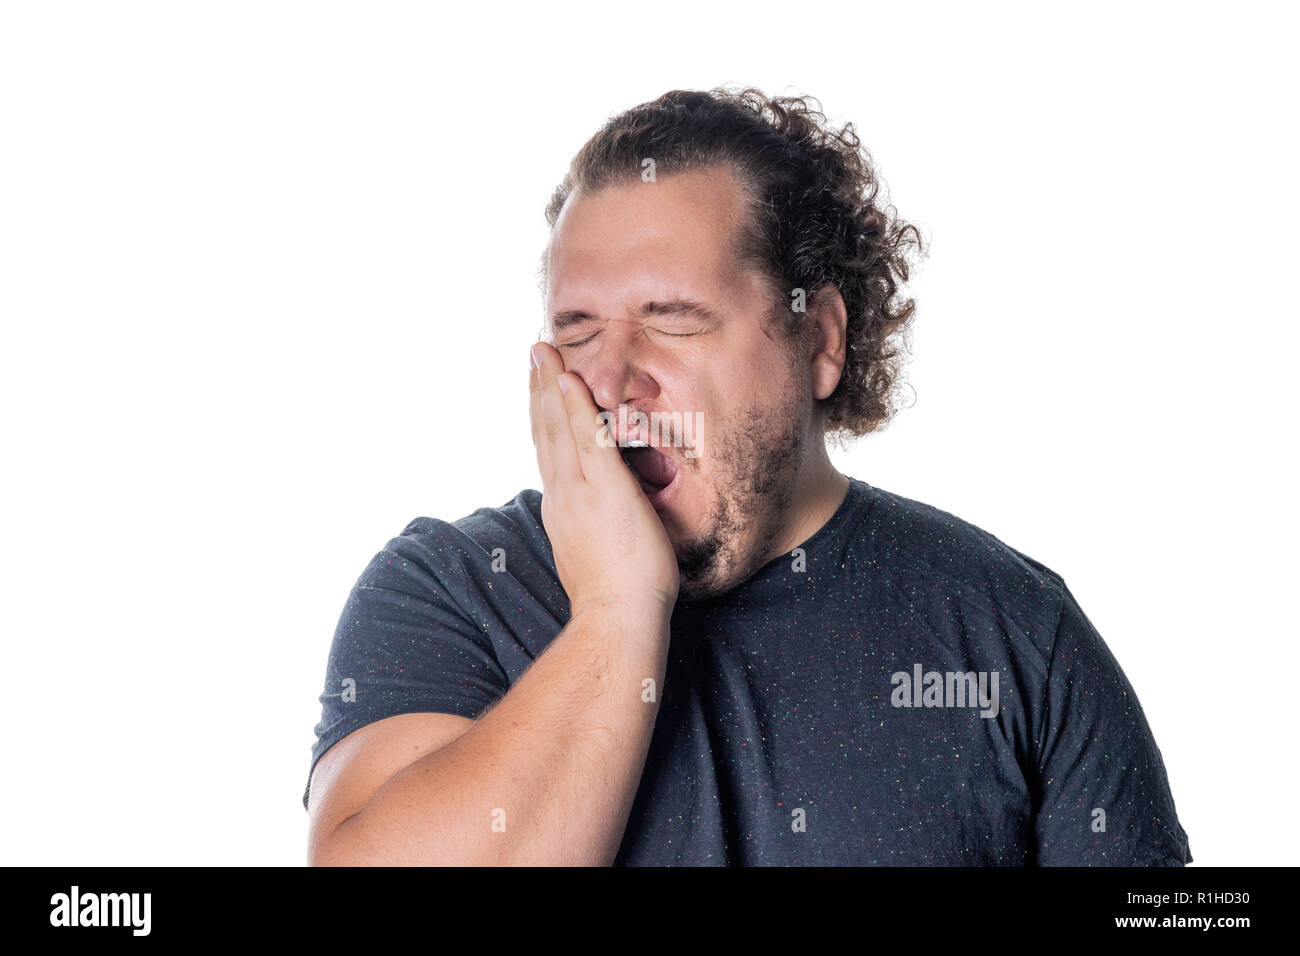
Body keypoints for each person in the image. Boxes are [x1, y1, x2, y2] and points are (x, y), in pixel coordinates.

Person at [304, 87, 1192, 866]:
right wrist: (617, 608)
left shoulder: (1015, 634)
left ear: (821, 340)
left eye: (674, 320)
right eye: (576, 330)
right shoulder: (449, 592)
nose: (609, 379)